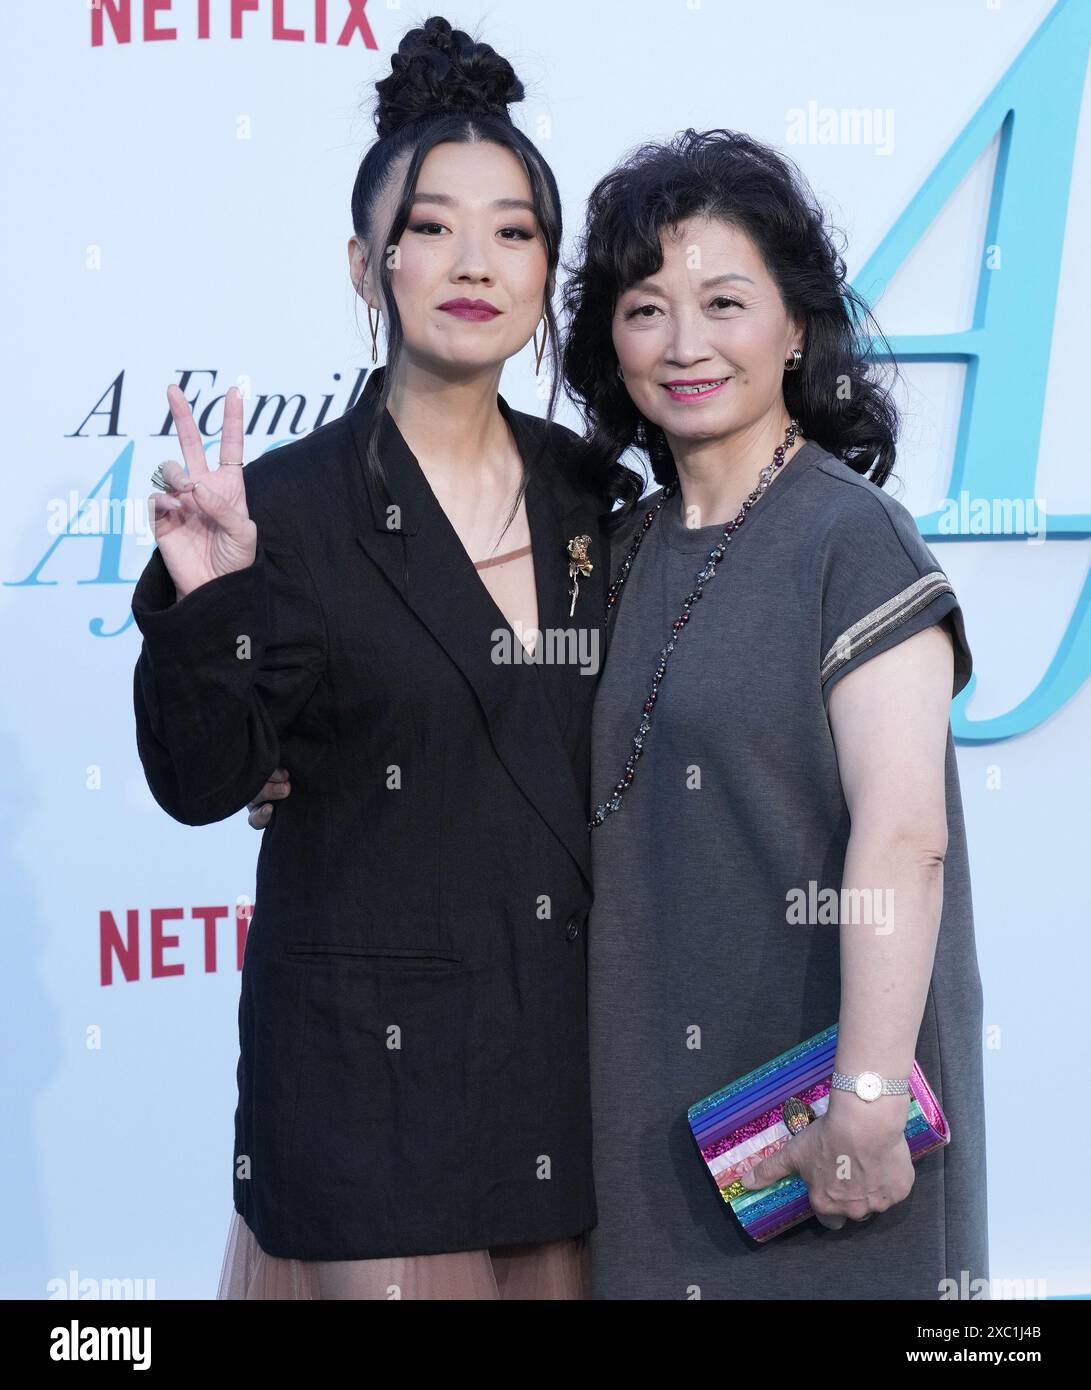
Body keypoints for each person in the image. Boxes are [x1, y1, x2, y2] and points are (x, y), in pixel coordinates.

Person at [131, 16, 638, 1301]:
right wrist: (209, 603)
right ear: (366, 266)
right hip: (368, 1087)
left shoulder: (599, 497)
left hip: (564, 1076)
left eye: (515, 230)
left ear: (546, 273)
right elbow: (201, 781)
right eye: (430, 226)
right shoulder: (276, 508)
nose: (474, 258)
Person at [559, 127, 989, 1299]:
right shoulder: (620, 546)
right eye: (645, 307)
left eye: (724, 301)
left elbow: (904, 835)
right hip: (648, 1124)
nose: (684, 343)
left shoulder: (847, 538)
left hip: (816, 1134)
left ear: (797, 324)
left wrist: (864, 1098)